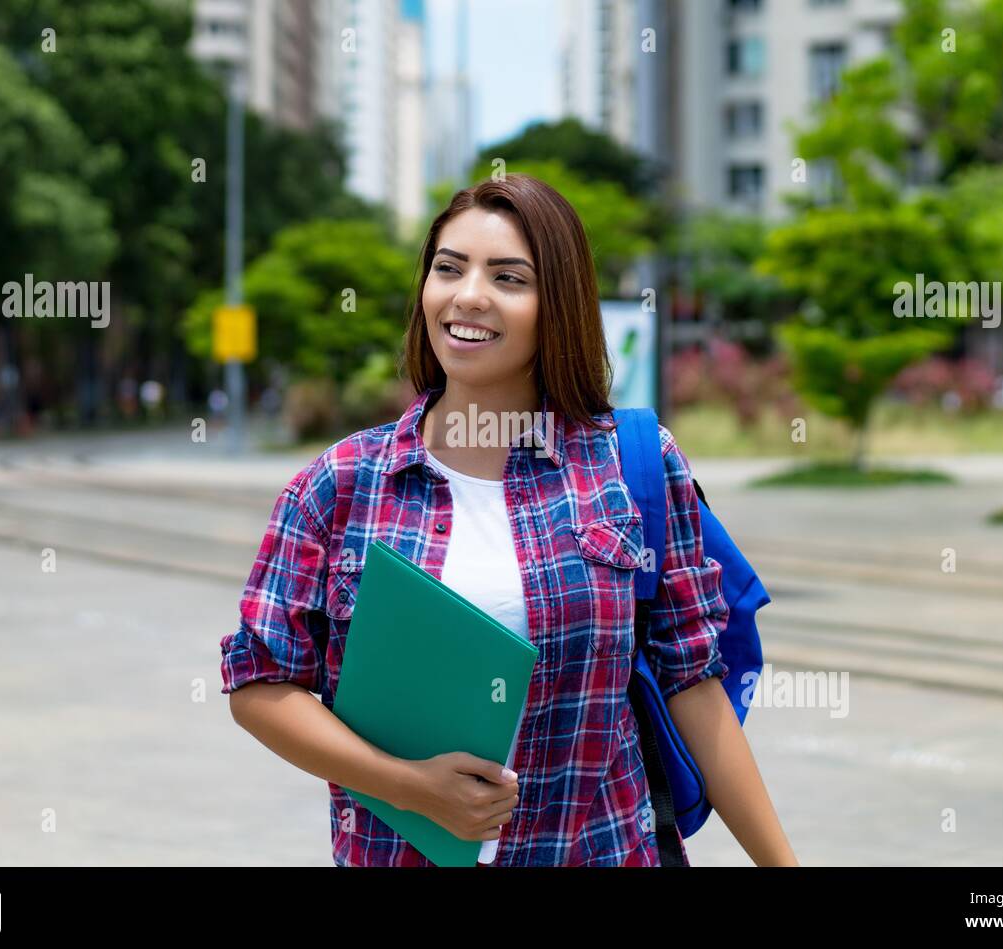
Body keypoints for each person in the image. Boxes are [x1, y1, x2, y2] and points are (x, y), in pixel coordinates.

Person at [220, 173, 797, 867]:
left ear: (559, 306)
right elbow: (261, 683)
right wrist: (409, 788)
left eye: (508, 278)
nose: (468, 296)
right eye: (448, 269)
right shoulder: (340, 483)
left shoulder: (630, 466)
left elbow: (693, 685)